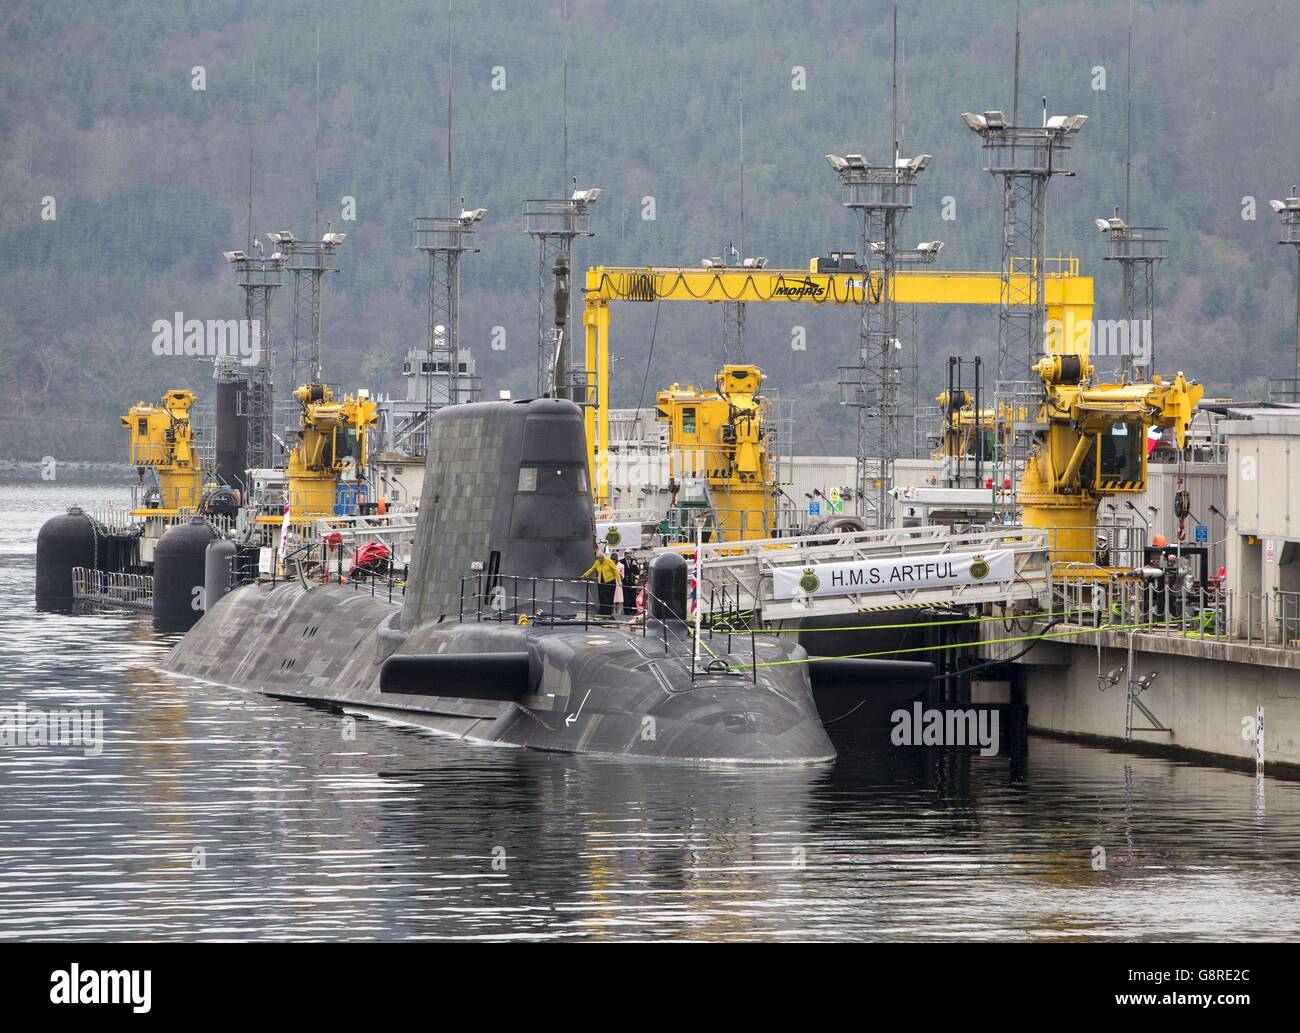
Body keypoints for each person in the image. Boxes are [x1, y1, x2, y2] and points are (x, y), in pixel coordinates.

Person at [581, 548, 619, 617]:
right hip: (601, 583)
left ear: (603, 557)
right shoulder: (597, 562)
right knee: (602, 598)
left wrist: (619, 581)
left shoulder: (609, 561)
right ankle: (602, 613)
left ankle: (608, 614)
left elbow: (615, 571)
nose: (600, 560)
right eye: (598, 558)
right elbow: (592, 569)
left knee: (609, 598)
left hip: (610, 582)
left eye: (601, 558)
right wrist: (584, 575)